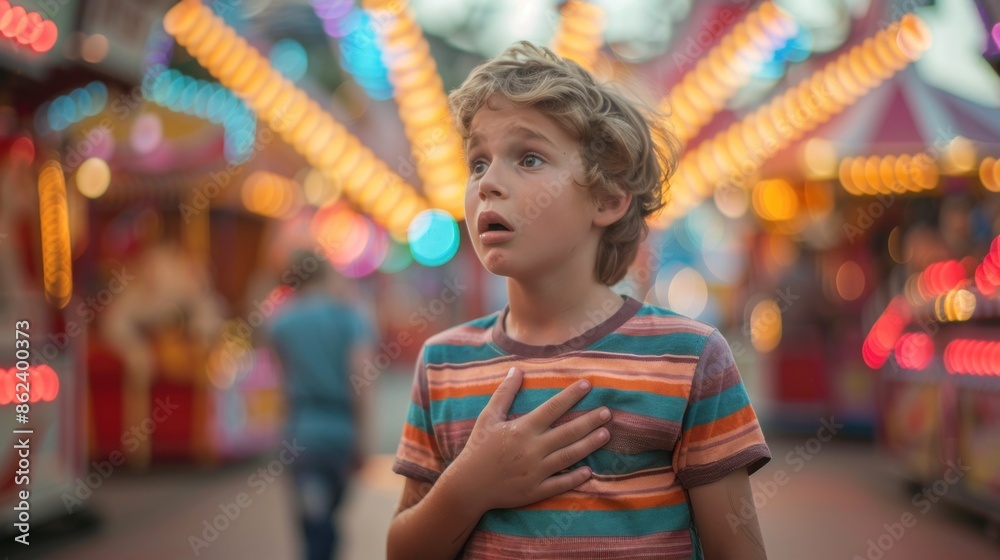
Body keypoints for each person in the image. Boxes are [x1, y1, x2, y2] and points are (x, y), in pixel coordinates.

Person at [387, 42, 771, 559]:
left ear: (608, 199)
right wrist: (470, 485)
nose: (489, 184)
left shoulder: (691, 359)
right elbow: (403, 551)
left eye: (528, 158)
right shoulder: (442, 364)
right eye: (478, 162)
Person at [267, 250, 374, 560]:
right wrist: (364, 437)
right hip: (339, 431)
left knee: (313, 522)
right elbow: (362, 382)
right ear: (327, 275)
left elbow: (280, 384)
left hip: (300, 432)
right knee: (329, 520)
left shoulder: (281, 322)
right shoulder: (349, 317)